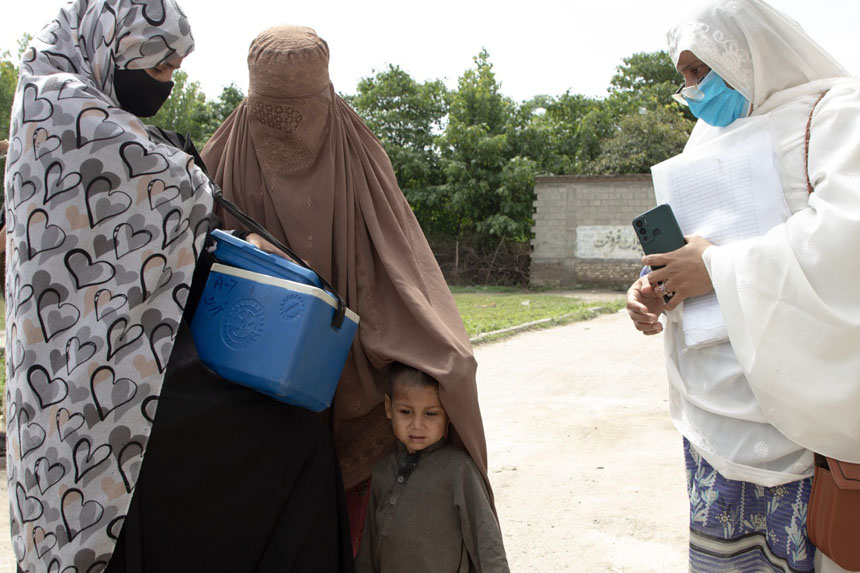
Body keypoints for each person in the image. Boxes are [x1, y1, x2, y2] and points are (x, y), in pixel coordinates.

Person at [4, 2, 352, 571]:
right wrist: (192, 185)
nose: (168, 84)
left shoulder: (89, 110)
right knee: (291, 452)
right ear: (113, 50)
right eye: (160, 69)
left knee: (293, 446)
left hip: (145, 352)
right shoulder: (56, 101)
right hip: (87, 383)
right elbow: (165, 186)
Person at [201, 25, 495, 552]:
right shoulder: (216, 163)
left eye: (299, 116)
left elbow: (400, 272)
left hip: (354, 373)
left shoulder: (360, 161)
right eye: (271, 117)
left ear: (326, 100)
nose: (286, 135)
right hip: (249, 393)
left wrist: (433, 366)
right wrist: (240, 245)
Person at [625, 1, 860, 571]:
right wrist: (651, 285)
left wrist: (719, 269)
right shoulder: (703, 140)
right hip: (716, 427)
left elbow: (846, 241)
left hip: (800, 431)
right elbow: (692, 241)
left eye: (700, 70)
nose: (692, 90)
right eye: (682, 75)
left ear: (747, 47)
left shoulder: (834, 113)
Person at [354, 363, 508, 572]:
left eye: (431, 414)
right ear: (389, 408)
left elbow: (487, 544)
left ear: (449, 414)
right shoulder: (382, 471)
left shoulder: (458, 470)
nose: (417, 425)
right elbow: (368, 551)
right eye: (406, 411)